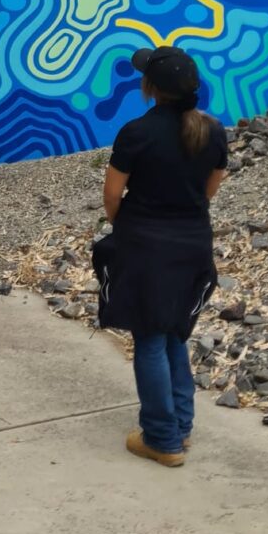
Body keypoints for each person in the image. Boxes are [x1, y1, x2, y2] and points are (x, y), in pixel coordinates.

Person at [94, 46, 227, 468]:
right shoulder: (213, 131)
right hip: (192, 244)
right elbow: (211, 187)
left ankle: (162, 438)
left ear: (150, 87)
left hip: (146, 247)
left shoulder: (136, 132)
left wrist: (126, 224)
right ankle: (180, 429)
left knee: (150, 338)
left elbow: (112, 195)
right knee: (174, 334)